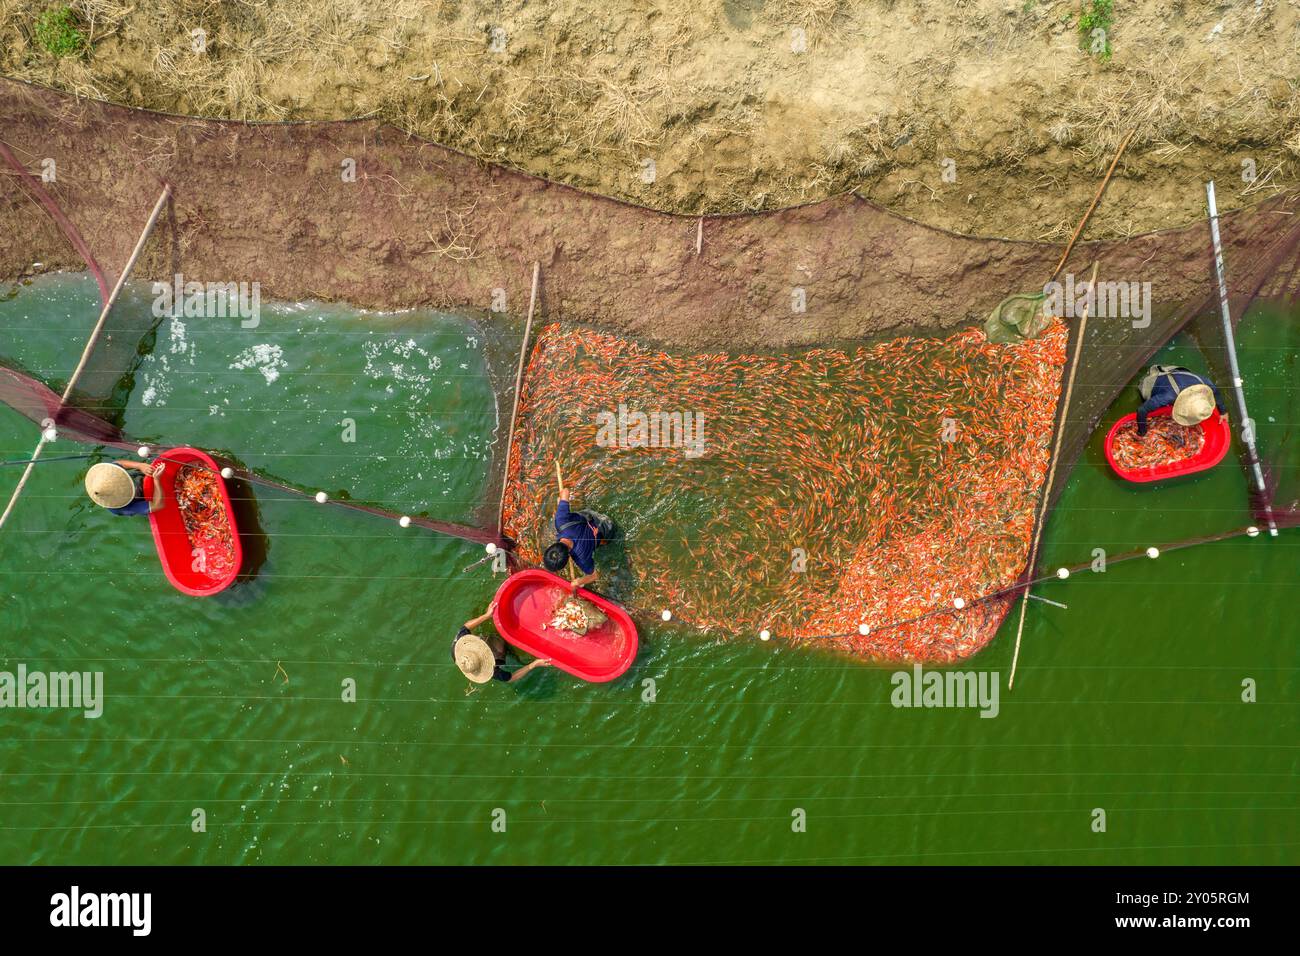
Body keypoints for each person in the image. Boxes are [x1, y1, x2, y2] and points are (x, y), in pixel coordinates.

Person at [452, 600, 551, 684]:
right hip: (496, 654)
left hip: (484, 641)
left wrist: (486, 615)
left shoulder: (459, 646)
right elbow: (511, 678)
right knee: (508, 651)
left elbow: (465, 627)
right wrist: (533, 664)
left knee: (494, 639)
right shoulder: (492, 671)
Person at [543, 488, 615, 594]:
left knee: (602, 542)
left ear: (568, 559)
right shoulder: (560, 521)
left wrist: (577, 582)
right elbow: (566, 491)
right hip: (593, 517)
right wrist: (561, 505)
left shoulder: (581, 558)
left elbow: (595, 575)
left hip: (606, 530)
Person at [1136, 365, 1228, 437]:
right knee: (1148, 402)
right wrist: (1142, 432)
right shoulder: (1168, 397)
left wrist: (1223, 411)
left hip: (1178, 376)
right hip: (1154, 380)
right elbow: (1142, 410)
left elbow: (1215, 390)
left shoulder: (1204, 384)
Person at [84, 459, 165, 516]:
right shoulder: (121, 508)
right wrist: (157, 480)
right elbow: (158, 505)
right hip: (140, 499)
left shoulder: (106, 475)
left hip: (137, 479)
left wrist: (139, 466)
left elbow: (118, 463)